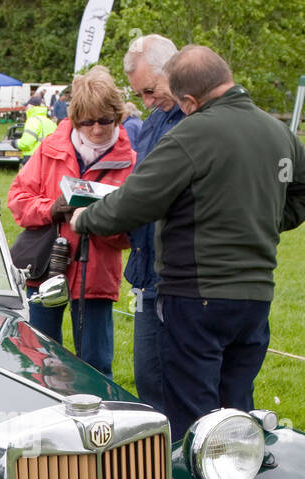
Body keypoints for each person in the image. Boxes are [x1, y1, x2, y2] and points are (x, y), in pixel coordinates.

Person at [70, 45, 305, 439]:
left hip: (196, 296)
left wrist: (86, 218)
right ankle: (239, 472)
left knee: (193, 418)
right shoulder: (276, 131)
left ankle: (193, 478)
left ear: (189, 100)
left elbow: (136, 200)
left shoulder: (191, 134)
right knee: (236, 408)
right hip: (255, 297)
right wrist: (261, 223)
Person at [6, 66, 135, 377]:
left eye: (105, 120)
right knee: (38, 358)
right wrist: (51, 209)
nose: (96, 129)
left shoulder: (130, 161)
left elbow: (133, 230)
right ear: (75, 119)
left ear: (117, 116)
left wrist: (98, 220)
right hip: (45, 267)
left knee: (95, 365)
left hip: (95, 274)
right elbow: (17, 200)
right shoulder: (50, 148)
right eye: (87, 122)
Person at [121, 32, 183, 414]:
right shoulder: (154, 120)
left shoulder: (198, 122)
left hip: (181, 278)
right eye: (139, 94)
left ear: (172, 71)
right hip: (146, 274)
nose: (146, 102)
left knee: (186, 385)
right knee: (148, 379)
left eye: (149, 90)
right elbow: (141, 187)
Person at [16, 99, 56, 164]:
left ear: (32, 107)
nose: (25, 109)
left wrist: (16, 143)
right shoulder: (51, 122)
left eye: (27, 106)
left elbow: (26, 143)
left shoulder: (32, 121)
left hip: (33, 158)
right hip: (49, 158)